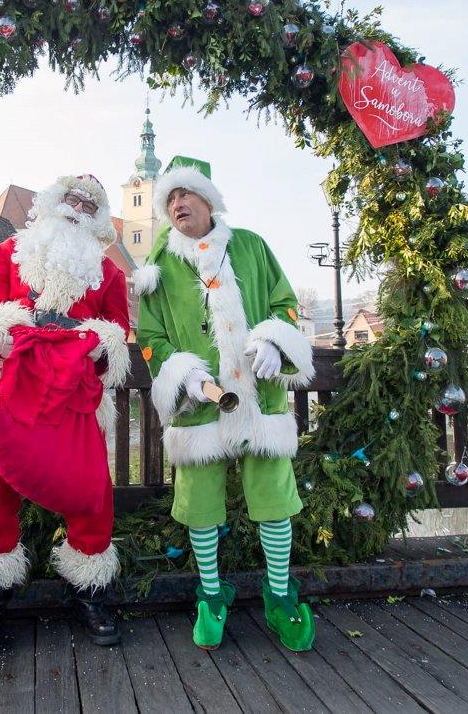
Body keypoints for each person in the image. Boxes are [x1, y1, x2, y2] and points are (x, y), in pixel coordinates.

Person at [134, 156, 316, 652]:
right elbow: (149, 334)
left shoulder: (253, 246)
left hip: (261, 396)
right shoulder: (158, 267)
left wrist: (276, 342)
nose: (177, 204)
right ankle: (211, 595)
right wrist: (182, 373)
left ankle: (279, 597)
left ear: (208, 200)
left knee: (274, 496)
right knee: (200, 502)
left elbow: (285, 304)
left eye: (185, 194)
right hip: (200, 406)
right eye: (169, 198)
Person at [0, 174, 130, 653]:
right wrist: (2, 333)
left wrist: (98, 346)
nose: (76, 206)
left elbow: (118, 331)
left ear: (97, 219)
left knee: (90, 496)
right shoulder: (6, 253)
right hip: (9, 392)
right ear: (51, 203)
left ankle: (88, 593)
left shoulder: (108, 273)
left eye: (88, 204)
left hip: (74, 399)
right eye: (70, 197)